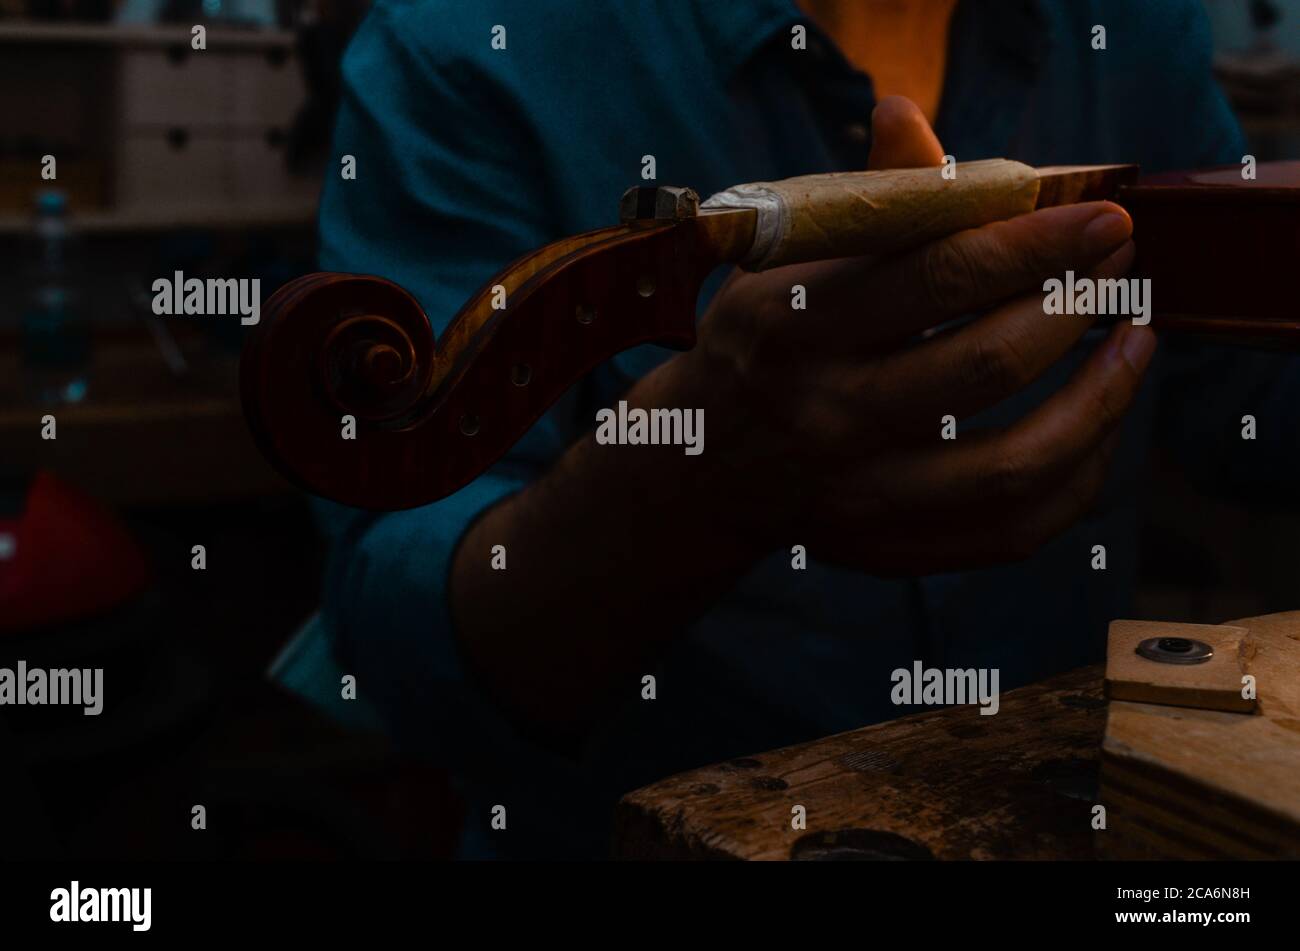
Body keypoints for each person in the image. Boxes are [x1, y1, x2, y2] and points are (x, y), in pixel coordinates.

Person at [300, 0, 1263, 858]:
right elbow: (403, 650)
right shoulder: (471, 41)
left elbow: (1242, 405)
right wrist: (686, 493)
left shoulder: (1136, 25)